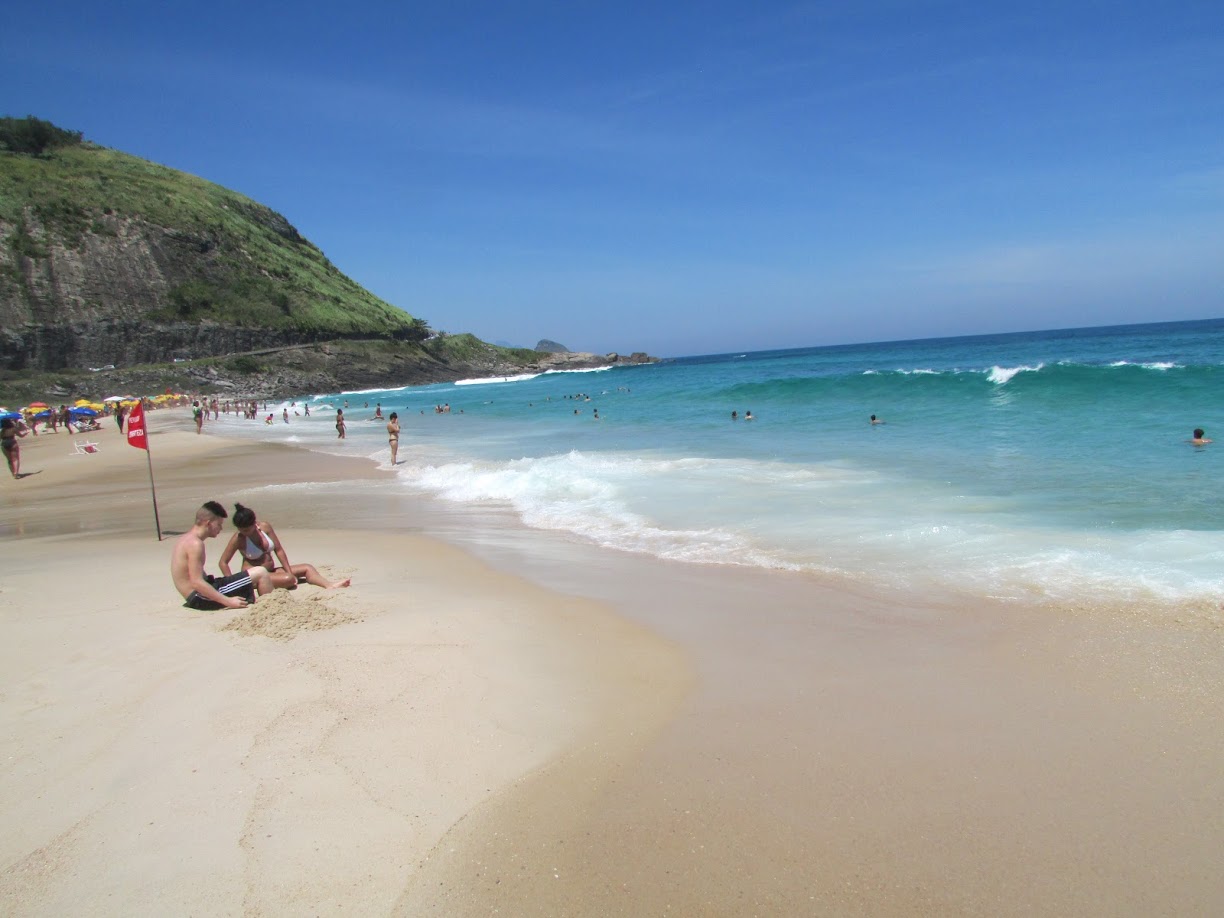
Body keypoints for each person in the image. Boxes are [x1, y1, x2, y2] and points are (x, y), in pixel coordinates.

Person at [219, 503, 351, 591]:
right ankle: (280, 580)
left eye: (247, 530)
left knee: (307, 568)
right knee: (289, 580)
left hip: (271, 571)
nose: (244, 532)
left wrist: (288, 570)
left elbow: (279, 550)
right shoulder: (238, 539)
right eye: (241, 530)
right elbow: (223, 562)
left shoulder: (265, 527)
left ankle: (329, 585)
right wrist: (233, 584)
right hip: (255, 577)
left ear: (255, 523)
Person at [171, 501, 272, 610]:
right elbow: (196, 582)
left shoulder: (186, 539)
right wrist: (228, 601)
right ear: (208, 523)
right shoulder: (195, 544)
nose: (221, 528)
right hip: (200, 598)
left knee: (248, 577)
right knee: (261, 572)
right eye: (219, 524)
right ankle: (271, 610)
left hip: (196, 595)